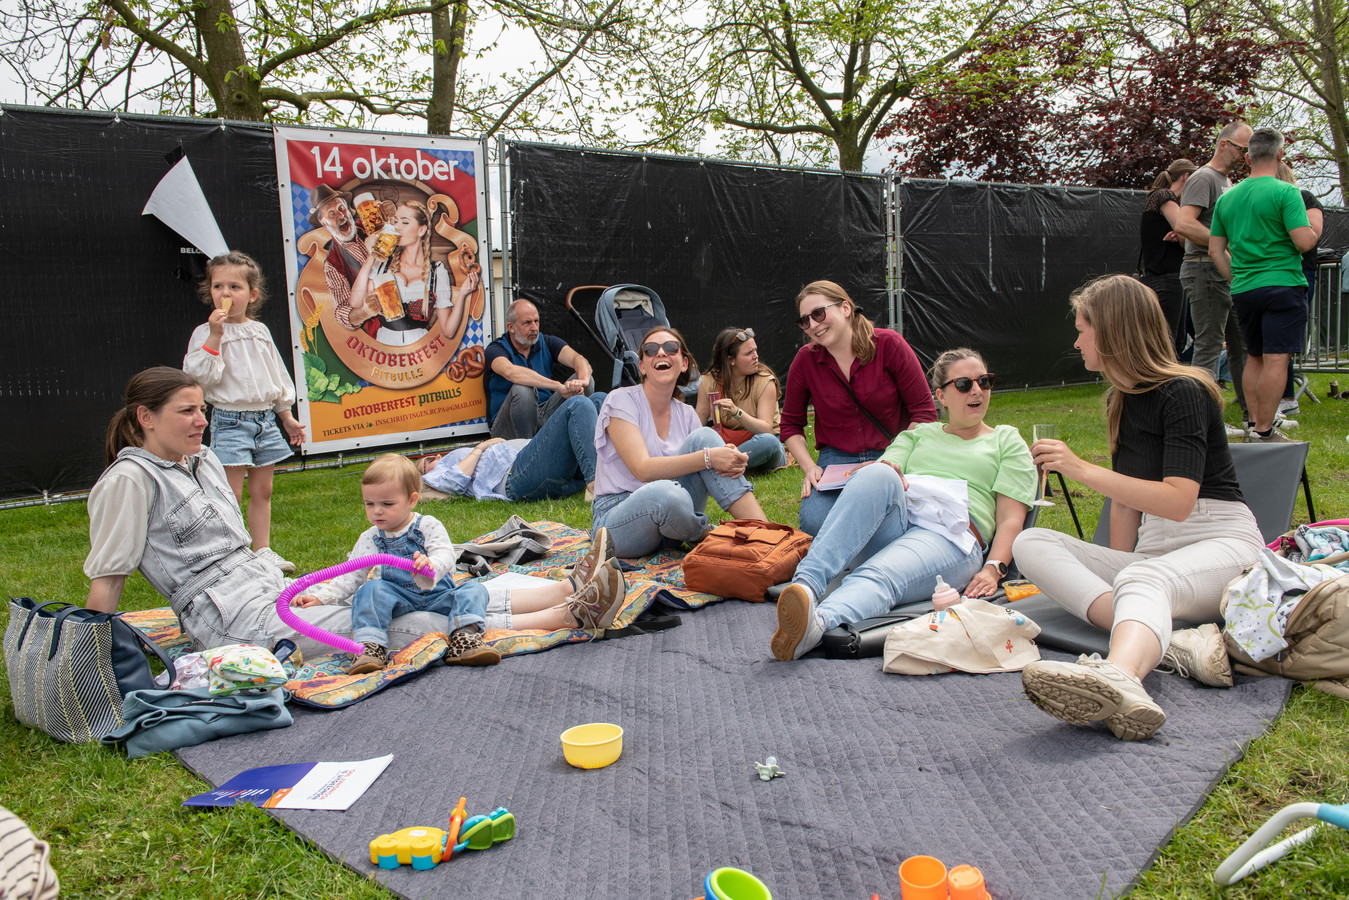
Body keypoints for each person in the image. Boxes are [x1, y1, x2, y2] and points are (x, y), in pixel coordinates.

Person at [84, 368, 628, 659]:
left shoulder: (201, 460)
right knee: (396, 623)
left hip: (273, 589)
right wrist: (95, 666)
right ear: (145, 418)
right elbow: (108, 582)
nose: (202, 421)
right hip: (235, 622)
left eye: (203, 408)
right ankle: (569, 616)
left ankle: (565, 588)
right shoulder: (130, 481)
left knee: (436, 585)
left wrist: (310, 587)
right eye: (188, 412)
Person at [1015, 275, 1264, 742]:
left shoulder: (1185, 391)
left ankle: (1121, 675)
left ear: (1111, 331)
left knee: (1141, 579)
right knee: (1032, 541)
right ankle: (1165, 639)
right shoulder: (1123, 402)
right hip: (1156, 556)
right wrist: (1120, 562)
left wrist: (1080, 469)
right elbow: (1126, 503)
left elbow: (1178, 501)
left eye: (1082, 327)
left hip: (1219, 542)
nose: (1076, 339)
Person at [771, 349, 1036, 660]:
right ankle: (804, 587)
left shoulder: (1006, 441)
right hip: (901, 520)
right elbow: (886, 470)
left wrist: (994, 568)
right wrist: (887, 469)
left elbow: (1010, 519)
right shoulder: (920, 434)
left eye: (985, 382)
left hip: (951, 535)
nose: (977, 390)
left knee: (881, 572)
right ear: (941, 396)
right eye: (964, 384)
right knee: (878, 473)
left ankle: (814, 625)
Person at [289, 454, 498, 673]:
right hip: (398, 599)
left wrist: (431, 563)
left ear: (411, 500)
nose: (377, 510)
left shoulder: (427, 525)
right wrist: (321, 597)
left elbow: (445, 554)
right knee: (369, 589)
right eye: (369, 504)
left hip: (438, 595)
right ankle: (370, 647)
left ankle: (464, 639)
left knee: (475, 590)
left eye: (387, 504)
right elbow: (350, 576)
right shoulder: (370, 538)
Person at [592, 326, 767, 558]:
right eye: (651, 350)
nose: (661, 353)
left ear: (684, 364)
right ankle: (706, 535)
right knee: (665, 493)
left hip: (673, 518)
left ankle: (766, 536)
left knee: (705, 438)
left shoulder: (686, 414)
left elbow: (710, 481)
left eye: (671, 348)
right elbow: (643, 469)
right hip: (618, 520)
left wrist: (729, 462)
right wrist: (710, 458)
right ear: (642, 367)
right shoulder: (621, 401)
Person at [781, 280, 938, 535]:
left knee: (905, 520)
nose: (813, 325)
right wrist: (810, 466)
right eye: (805, 321)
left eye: (818, 313)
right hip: (837, 460)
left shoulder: (889, 344)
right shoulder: (806, 360)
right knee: (815, 522)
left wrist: (892, 459)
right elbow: (790, 424)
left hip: (893, 452)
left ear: (845, 308)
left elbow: (924, 413)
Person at [183, 251, 305, 575]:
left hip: (264, 420)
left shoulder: (260, 332)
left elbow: (276, 376)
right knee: (230, 493)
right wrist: (214, 336)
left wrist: (286, 416)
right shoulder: (204, 333)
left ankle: (262, 550)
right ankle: (230, 554)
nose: (225, 294)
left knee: (263, 490)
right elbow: (198, 376)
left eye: (234, 287)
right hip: (230, 419)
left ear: (251, 295)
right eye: (218, 286)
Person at [1208, 127, 1317, 442]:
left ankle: (1253, 425)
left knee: (1253, 356)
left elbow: (1216, 250)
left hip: (1245, 289)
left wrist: (1237, 278)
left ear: (1248, 156)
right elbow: (1302, 240)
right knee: (1277, 358)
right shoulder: (1286, 193)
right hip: (1283, 284)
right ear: (1280, 155)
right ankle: (1266, 430)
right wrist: (1312, 232)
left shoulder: (1229, 197)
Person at [1175, 120, 1254, 432]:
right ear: (1224, 144)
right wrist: (1221, 243)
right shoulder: (1204, 177)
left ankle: (1256, 417)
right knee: (1209, 346)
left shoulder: (1227, 182)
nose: (1246, 156)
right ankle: (1203, 422)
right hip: (1204, 268)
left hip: (1223, 271)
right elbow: (1184, 224)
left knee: (1242, 346)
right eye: (1242, 149)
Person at [417, 392, 606, 502]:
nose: (437, 457)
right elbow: (454, 483)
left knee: (599, 399)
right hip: (516, 479)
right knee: (577, 404)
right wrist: (481, 447)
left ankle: (617, 473)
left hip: (542, 468)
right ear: (423, 473)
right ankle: (597, 485)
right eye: (429, 460)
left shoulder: (445, 464)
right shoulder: (432, 478)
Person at [348, 200, 470, 347]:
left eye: (405, 223)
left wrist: (463, 294)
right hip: (385, 351)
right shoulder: (382, 265)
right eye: (396, 222)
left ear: (421, 230)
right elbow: (355, 302)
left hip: (420, 354)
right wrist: (371, 256)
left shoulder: (437, 271)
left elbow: (448, 331)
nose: (397, 228)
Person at [485, 298, 598, 439]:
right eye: (527, 323)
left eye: (536, 321)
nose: (534, 328)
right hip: (506, 427)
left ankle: (577, 443)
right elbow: (511, 372)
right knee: (523, 389)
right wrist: (558, 386)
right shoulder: (495, 349)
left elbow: (579, 360)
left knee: (585, 381)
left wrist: (583, 381)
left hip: (543, 414)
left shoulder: (547, 342)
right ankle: (525, 451)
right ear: (511, 327)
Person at [1273, 160, 1324, 420]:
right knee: (1272, 340)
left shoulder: (1304, 197)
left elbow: (1312, 235)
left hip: (1299, 274)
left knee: (1282, 339)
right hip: (1270, 274)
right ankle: (1274, 397)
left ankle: (1287, 399)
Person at [694, 326, 786, 470]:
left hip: (760, 445)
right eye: (749, 353)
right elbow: (697, 425)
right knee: (700, 437)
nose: (756, 356)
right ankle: (729, 463)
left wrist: (737, 413)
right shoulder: (709, 380)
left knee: (769, 442)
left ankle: (722, 465)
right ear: (731, 360)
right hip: (726, 445)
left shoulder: (766, 381)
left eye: (755, 350)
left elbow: (766, 429)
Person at [1138, 159, 1198, 356]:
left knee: (1174, 340)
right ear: (1186, 177)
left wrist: (1181, 234)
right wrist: (1183, 233)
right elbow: (1185, 230)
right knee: (1169, 342)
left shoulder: (1160, 197)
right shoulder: (1165, 196)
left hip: (1166, 278)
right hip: (1166, 278)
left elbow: (1182, 232)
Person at [309, 184, 371, 330]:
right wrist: (365, 312)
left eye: (341, 208)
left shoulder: (371, 225)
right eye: (331, 214)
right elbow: (342, 314)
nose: (341, 216)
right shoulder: (332, 264)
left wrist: (392, 217)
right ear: (323, 223)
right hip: (383, 331)